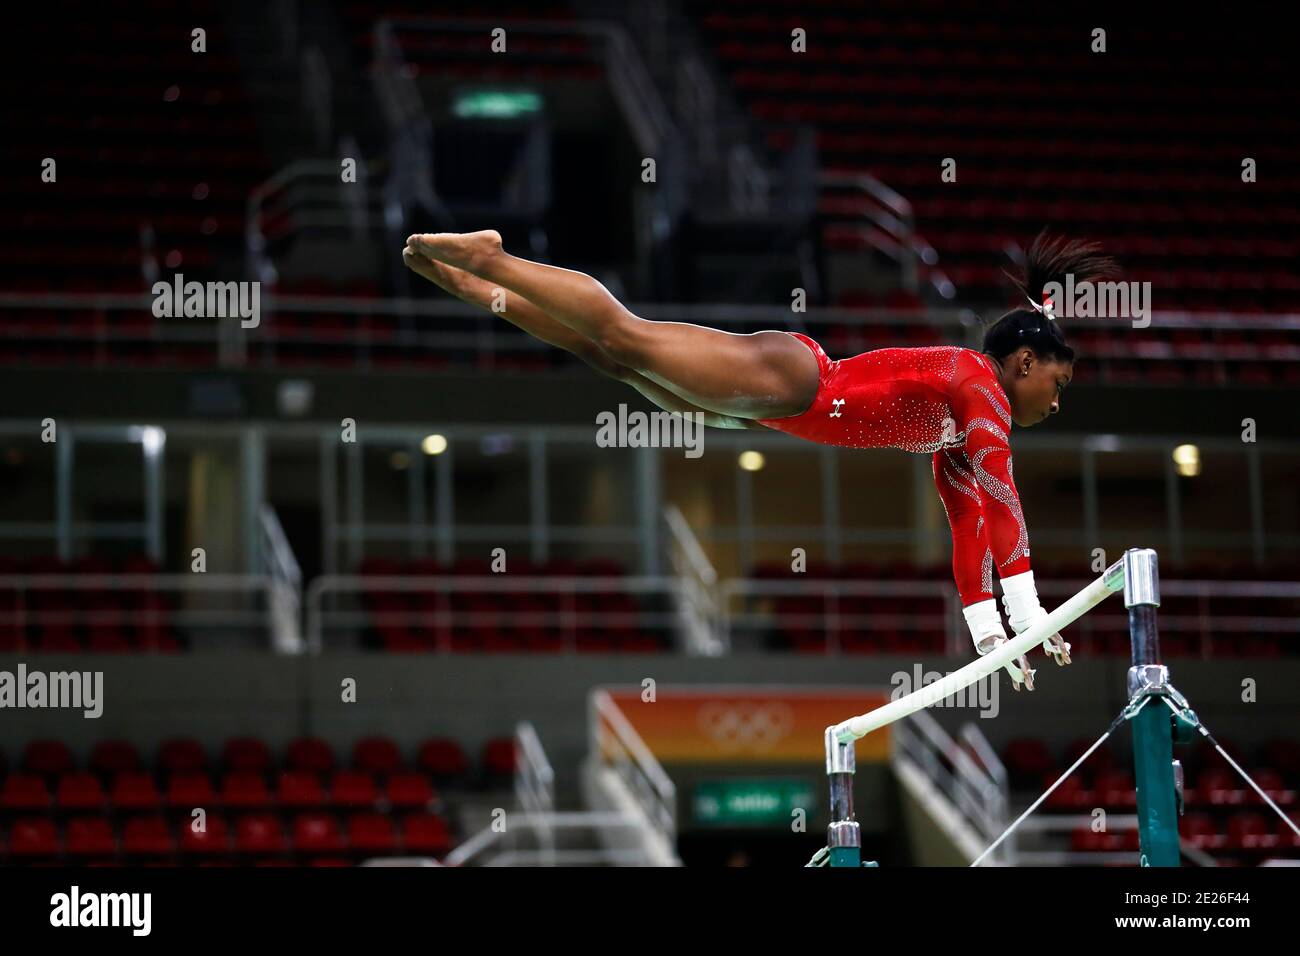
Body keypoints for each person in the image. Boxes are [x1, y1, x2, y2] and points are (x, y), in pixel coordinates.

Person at [402, 230, 1119, 689]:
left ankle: (484, 290)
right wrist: (1030, 612)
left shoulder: (961, 434)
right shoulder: (980, 386)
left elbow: (972, 523)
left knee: (612, 358)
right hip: (796, 381)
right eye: (1058, 385)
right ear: (1025, 362)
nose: (1056, 403)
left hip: (766, 409)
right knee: (625, 335)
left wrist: (990, 634)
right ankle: (494, 258)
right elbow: (1004, 493)